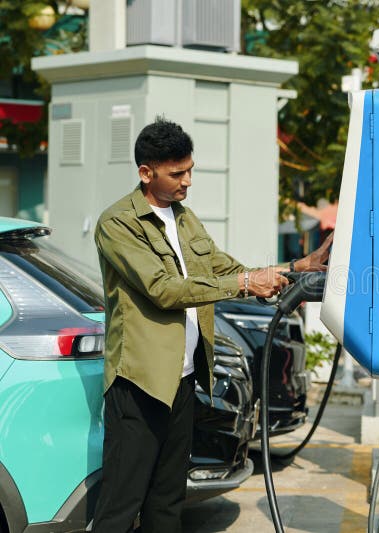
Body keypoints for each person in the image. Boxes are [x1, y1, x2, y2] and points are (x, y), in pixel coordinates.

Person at [91, 117, 332, 532]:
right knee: (121, 504)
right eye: (176, 174)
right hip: (140, 383)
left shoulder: (184, 219)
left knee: (168, 502)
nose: (187, 181)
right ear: (146, 173)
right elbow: (164, 290)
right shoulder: (118, 223)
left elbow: (228, 269)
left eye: (190, 170)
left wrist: (296, 267)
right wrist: (246, 282)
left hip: (183, 380)